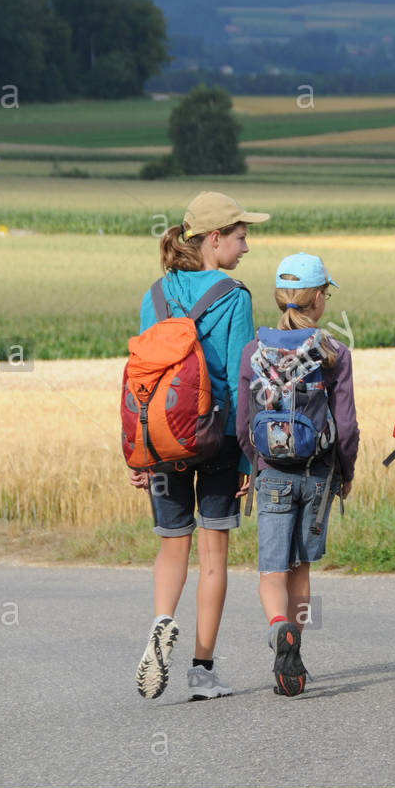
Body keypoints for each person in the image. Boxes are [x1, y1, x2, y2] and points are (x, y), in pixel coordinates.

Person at [130, 191, 266, 701]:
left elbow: (143, 379)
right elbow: (240, 382)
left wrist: (138, 450)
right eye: (240, 236)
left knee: (172, 544)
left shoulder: (156, 295)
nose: (246, 247)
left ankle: (162, 620)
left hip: (161, 438)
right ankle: (202, 669)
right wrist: (246, 456)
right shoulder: (233, 296)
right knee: (213, 557)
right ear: (214, 240)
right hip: (215, 440)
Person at [237, 253, 358, 697]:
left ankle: (278, 632)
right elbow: (346, 424)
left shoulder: (255, 350)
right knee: (300, 570)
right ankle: (297, 654)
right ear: (317, 300)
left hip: (271, 473)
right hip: (317, 473)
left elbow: (242, 419)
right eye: (325, 293)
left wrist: (252, 461)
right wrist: (346, 472)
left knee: (271, 571)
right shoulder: (333, 352)